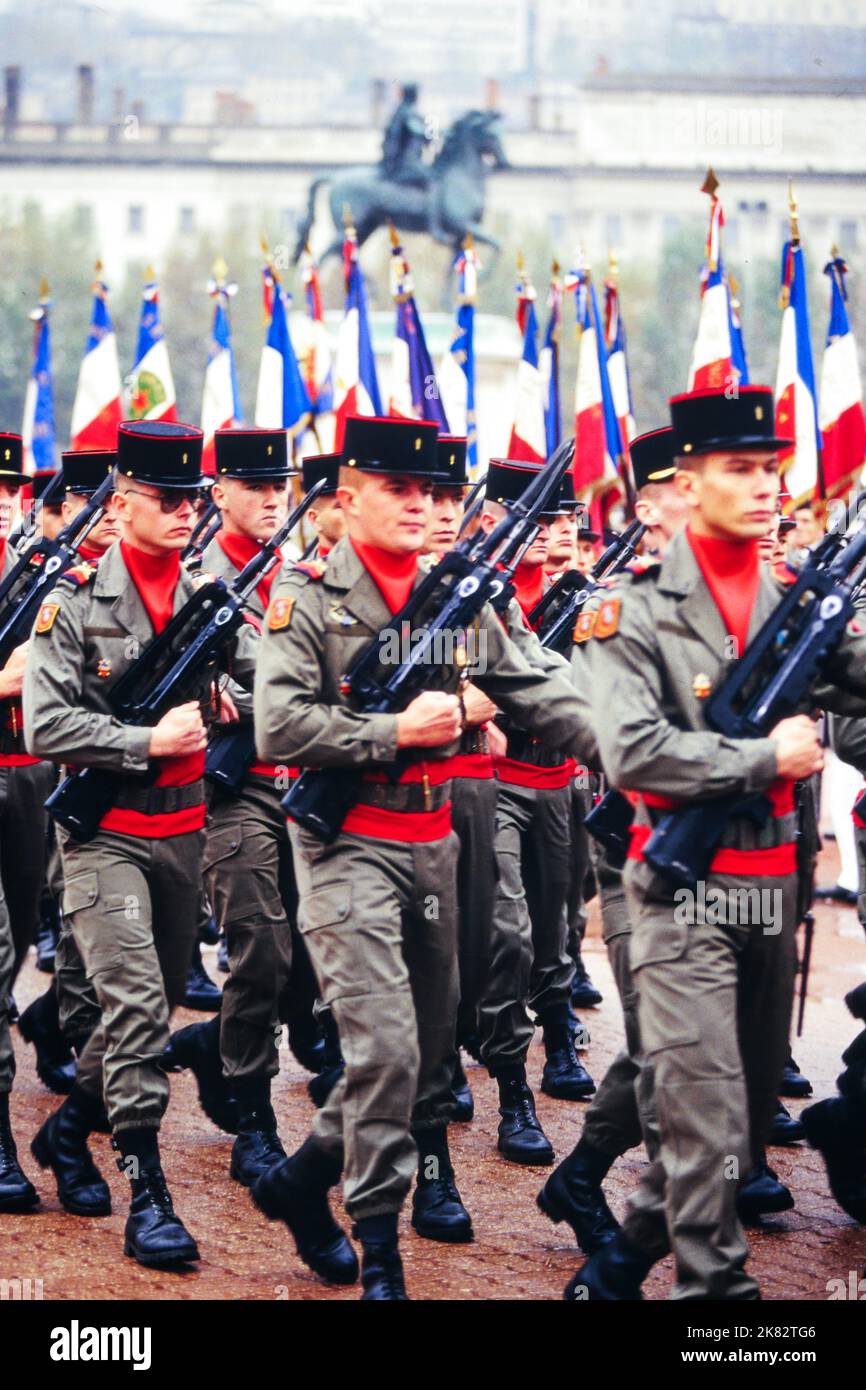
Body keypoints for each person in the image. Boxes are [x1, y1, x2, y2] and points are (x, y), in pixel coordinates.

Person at [252, 415, 595, 1299]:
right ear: (348, 497)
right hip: (343, 845)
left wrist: (649, 756)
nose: (421, 505)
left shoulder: (462, 598)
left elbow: (539, 686)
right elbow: (280, 725)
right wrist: (391, 730)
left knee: (429, 1052)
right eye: (399, 489)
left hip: (432, 843)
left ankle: (300, 1181)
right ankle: (381, 1253)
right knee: (385, 1052)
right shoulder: (307, 597)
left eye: (434, 491)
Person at [568, 383, 866, 1301]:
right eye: (741, 469)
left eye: (771, 468)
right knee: (701, 1124)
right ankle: (721, 1305)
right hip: (681, 896)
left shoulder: (797, 601)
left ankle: (618, 1265)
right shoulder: (632, 612)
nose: (766, 486)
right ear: (686, 486)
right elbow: (632, 751)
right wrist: (759, 756)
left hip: (771, 891)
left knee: (730, 1119)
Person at [24, 419, 255, 1269]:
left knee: (147, 1016)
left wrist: (231, 697)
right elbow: (48, 722)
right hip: (105, 837)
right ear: (121, 506)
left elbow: (263, 675)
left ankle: (69, 1130)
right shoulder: (75, 601)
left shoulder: (205, 595)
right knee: (130, 1010)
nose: (186, 513)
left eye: (193, 499)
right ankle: (149, 1194)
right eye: (167, 500)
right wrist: (144, 742)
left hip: (183, 831)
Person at [476, 459, 595, 1172]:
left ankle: (558, 1033)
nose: (553, 536)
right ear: (493, 519)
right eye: (538, 522)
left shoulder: (582, 596)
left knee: (557, 924)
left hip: (560, 777)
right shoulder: (475, 593)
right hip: (494, 779)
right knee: (507, 930)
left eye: (562, 523)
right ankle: (512, 1088)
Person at [18, 449, 119, 1098]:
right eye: (90, 503)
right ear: (57, 509)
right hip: (44, 767)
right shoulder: (41, 579)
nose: (105, 517)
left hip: (94, 770)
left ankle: (50, 1019)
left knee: (81, 927)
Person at [0, 431, 42, 1211]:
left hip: (27, 781)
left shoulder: (43, 581)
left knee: (11, 958)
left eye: (9, 493)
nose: (2, 505)